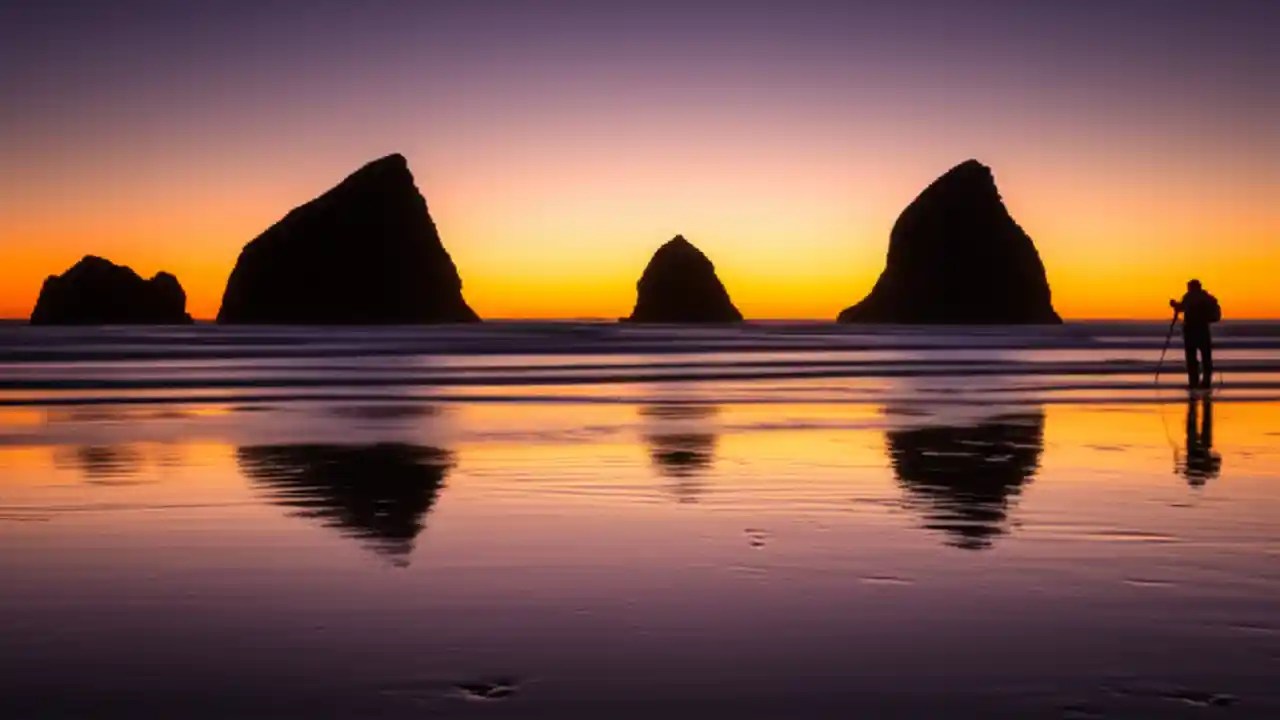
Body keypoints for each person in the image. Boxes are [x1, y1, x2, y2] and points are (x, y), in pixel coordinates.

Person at [1169, 279, 1220, 390]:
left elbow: (1182, 307)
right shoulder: (1206, 297)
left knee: (1192, 358)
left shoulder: (1190, 297)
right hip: (1203, 330)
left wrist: (1175, 305)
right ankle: (1206, 381)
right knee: (1206, 357)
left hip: (1192, 330)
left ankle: (1194, 381)